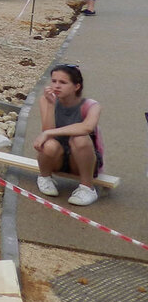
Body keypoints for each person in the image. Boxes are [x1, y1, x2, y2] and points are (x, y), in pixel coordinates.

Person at [32, 64, 103, 206]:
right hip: (57, 158)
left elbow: (86, 127)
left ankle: (87, 187)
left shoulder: (91, 105)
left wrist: (48, 133)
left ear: (76, 86)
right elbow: (47, 130)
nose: (56, 86)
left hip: (83, 160)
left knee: (80, 139)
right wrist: (51, 106)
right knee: (49, 144)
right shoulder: (46, 100)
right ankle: (45, 177)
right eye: (54, 81)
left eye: (63, 82)